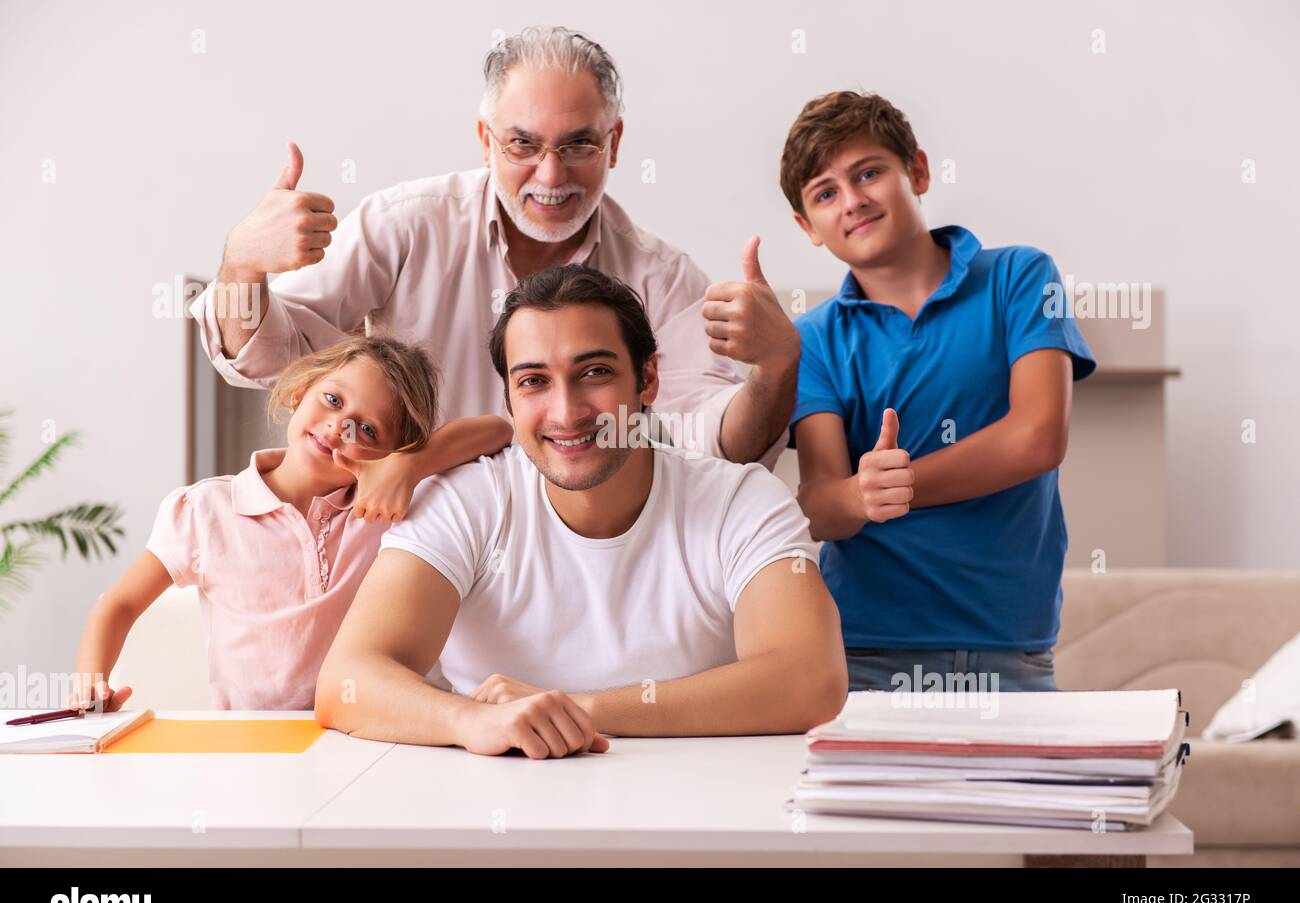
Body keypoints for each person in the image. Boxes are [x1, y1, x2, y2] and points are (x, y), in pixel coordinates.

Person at [190, 25, 799, 537]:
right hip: (405, 539)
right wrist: (242, 265)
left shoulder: (663, 277)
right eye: (523, 144)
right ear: (486, 141)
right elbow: (274, 361)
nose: (550, 174)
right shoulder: (404, 225)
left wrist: (775, 370)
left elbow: (712, 443)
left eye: (578, 144)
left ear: (614, 145)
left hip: (577, 552)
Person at [314, 265, 848, 758]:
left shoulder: (741, 501)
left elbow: (809, 680)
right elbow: (347, 681)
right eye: (534, 381)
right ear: (509, 402)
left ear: (648, 380)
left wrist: (576, 708)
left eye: (594, 373)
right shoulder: (465, 501)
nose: (566, 412)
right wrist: (472, 722)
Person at [780, 91, 1095, 693]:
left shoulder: (1020, 277)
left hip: (1012, 652)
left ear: (918, 171)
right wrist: (858, 496)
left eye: (868, 173)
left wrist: (895, 486)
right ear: (808, 226)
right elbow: (821, 502)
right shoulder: (812, 340)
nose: (852, 201)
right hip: (862, 654)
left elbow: (1037, 437)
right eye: (825, 193)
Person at [70, 336, 511, 711]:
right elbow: (119, 604)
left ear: (390, 453)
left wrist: (410, 468)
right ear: (299, 393)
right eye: (333, 400)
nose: (340, 426)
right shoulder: (206, 509)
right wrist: (90, 685)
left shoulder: (390, 512)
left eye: (368, 430)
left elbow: (498, 430)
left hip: (366, 735)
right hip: (251, 752)